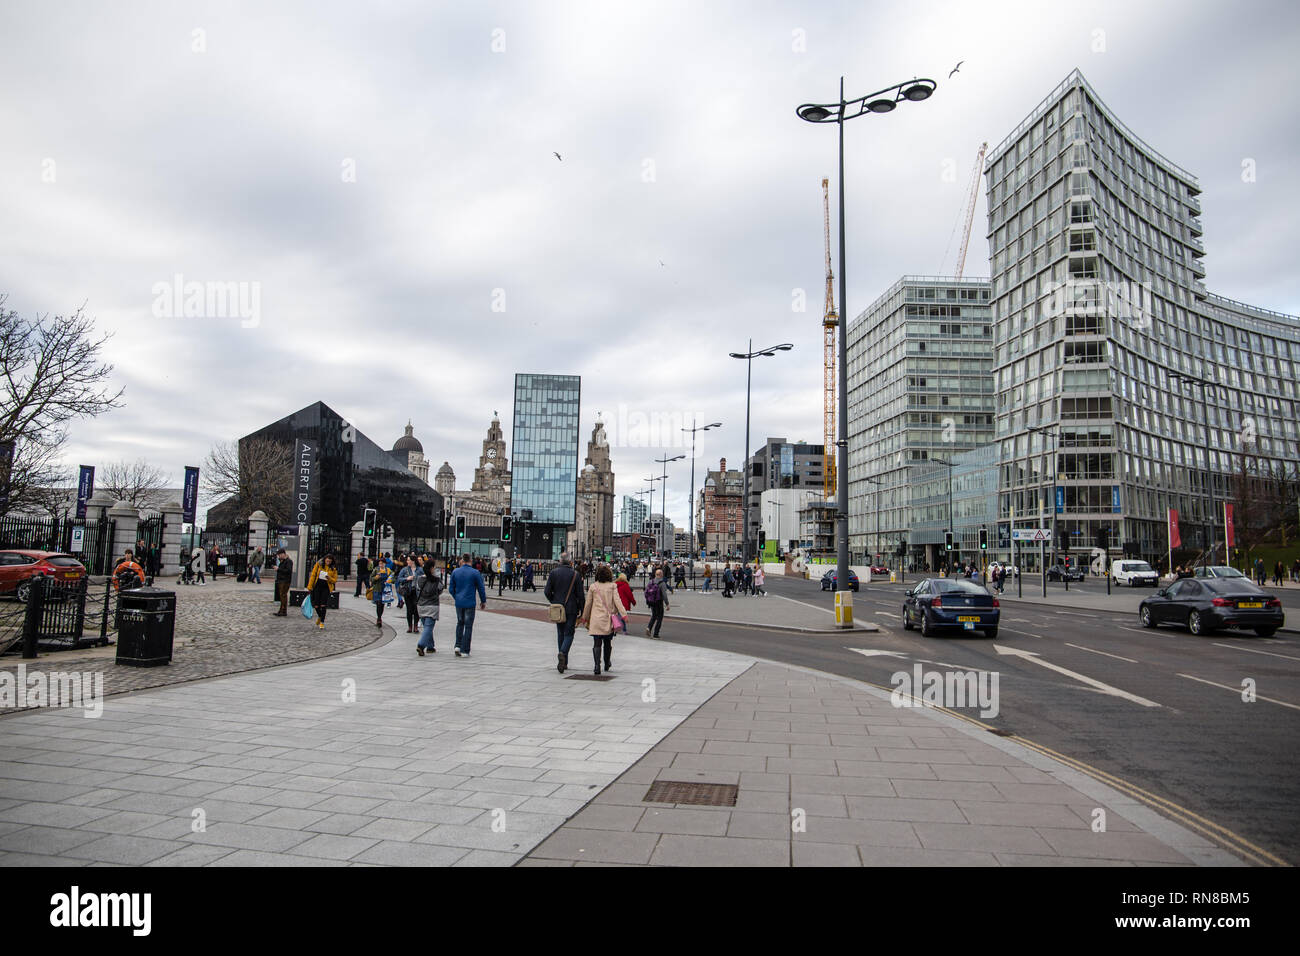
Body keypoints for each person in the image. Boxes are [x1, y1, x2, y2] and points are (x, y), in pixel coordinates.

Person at [579, 565, 629, 675]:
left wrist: (584, 617)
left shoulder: (593, 586)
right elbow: (618, 601)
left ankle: (597, 666)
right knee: (607, 642)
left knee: (596, 643)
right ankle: (607, 663)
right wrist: (624, 615)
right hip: (608, 619)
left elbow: (588, 604)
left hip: (596, 619)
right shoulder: (612, 586)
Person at [545, 553, 585, 673]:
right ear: (570, 562)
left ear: (560, 561)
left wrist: (554, 601)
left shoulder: (553, 573)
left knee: (560, 633)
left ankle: (563, 661)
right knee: (569, 634)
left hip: (558, 608)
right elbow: (580, 595)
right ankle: (563, 653)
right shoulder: (575, 574)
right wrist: (583, 610)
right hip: (571, 609)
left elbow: (547, 591)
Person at [449, 552, 487, 657]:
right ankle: (465, 650)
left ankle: (457, 645)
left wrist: (456, 597)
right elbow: (481, 588)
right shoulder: (475, 573)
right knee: (468, 626)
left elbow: (451, 588)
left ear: (462, 560)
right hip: (470, 602)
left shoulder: (455, 572)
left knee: (459, 623)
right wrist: (483, 601)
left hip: (459, 602)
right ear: (471, 560)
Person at [415, 559, 441, 656]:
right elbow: (440, 589)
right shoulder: (436, 580)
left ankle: (430, 646)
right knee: (429, 627)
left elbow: (417, 590)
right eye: (434, 567)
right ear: (431, 569)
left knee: (427, 626)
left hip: (421, 605)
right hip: (432, 606)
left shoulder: (420, 579)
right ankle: (421, 645)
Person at [307, 555, 337, 630]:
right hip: (317, 586)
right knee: (316, 605)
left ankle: (322, 622)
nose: (328, 562)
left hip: (326, 588)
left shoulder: (333, 568)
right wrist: (310, 586)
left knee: (323, 605)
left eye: (330, 561)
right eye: (327, 560)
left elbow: (334, 580)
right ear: (325, 559)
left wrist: (329, 578)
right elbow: (313, 575)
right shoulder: (318, 565)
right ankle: (320, 616)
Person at [369, 556, 394, 629]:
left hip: (385, 590)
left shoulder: (388, 570)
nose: (381, 565)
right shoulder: (376, 570)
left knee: (382, 605)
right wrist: (376, 578)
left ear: (385, 564)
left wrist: (390, 580)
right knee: (378, 603)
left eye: (382, 563)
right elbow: (371, 578)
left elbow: (393, 577)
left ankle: (379, 617)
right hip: (377, 589)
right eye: (380, 563)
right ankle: (379, 618)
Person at [644, 568, 669, 639]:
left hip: (651, 602)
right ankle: (656, 634)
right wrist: (667, 604)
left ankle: (649, 627)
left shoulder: (650, 582)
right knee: (660, 618)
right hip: (658, 602)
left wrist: (648, 600)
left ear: (655, 574)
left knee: (654, 615)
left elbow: (646, 592)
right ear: (661, 574)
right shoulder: (662, 583)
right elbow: (664, 595)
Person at [272, 548, 293, 616]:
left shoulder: (288, 561)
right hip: (281, 580)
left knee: (283, 595)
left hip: (285, 580)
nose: (279, 556)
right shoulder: (283, 561)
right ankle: (281, 610)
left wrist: (278, 569)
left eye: (280, 555)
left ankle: (283, 610)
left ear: (283, 554)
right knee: (282, 595)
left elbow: (288, 571)